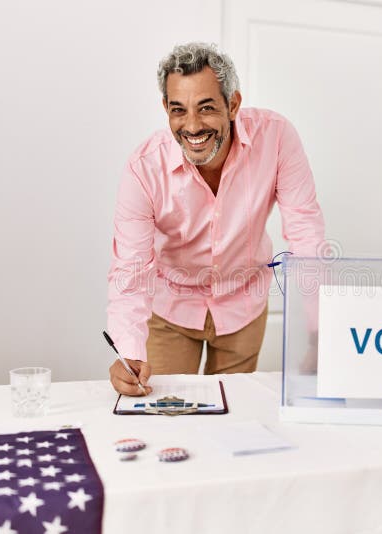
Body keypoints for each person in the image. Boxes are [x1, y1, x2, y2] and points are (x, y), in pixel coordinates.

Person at [107, 42, 326, 396]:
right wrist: (128, 350)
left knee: (233, 416)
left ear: (233, 104)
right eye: (178, 110)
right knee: (163, 415)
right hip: (170, 311)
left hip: (243, 306)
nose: (191, 126)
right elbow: (130, 267)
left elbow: (306, 232)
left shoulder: (277, 137)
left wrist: (319, 330)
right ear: (166, 108)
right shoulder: (143, 168)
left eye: (206, 108)